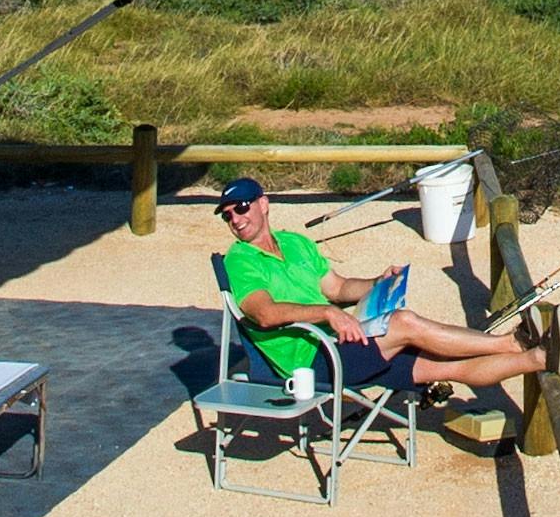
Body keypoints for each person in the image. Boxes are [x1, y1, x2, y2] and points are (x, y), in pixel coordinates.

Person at [211, 178, 539, 433]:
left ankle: (538, 357)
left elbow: (337, 287)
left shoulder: (296, 243)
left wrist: (376, 283)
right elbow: (265, 314)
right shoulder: (240, 260)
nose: (236, 219)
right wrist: (326, 312)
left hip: (340, 345)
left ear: (263, 204)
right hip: (311, 363)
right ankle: (510, 343)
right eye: (227, 215)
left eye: (241, 208)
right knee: (404, 322)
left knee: (441, 366)